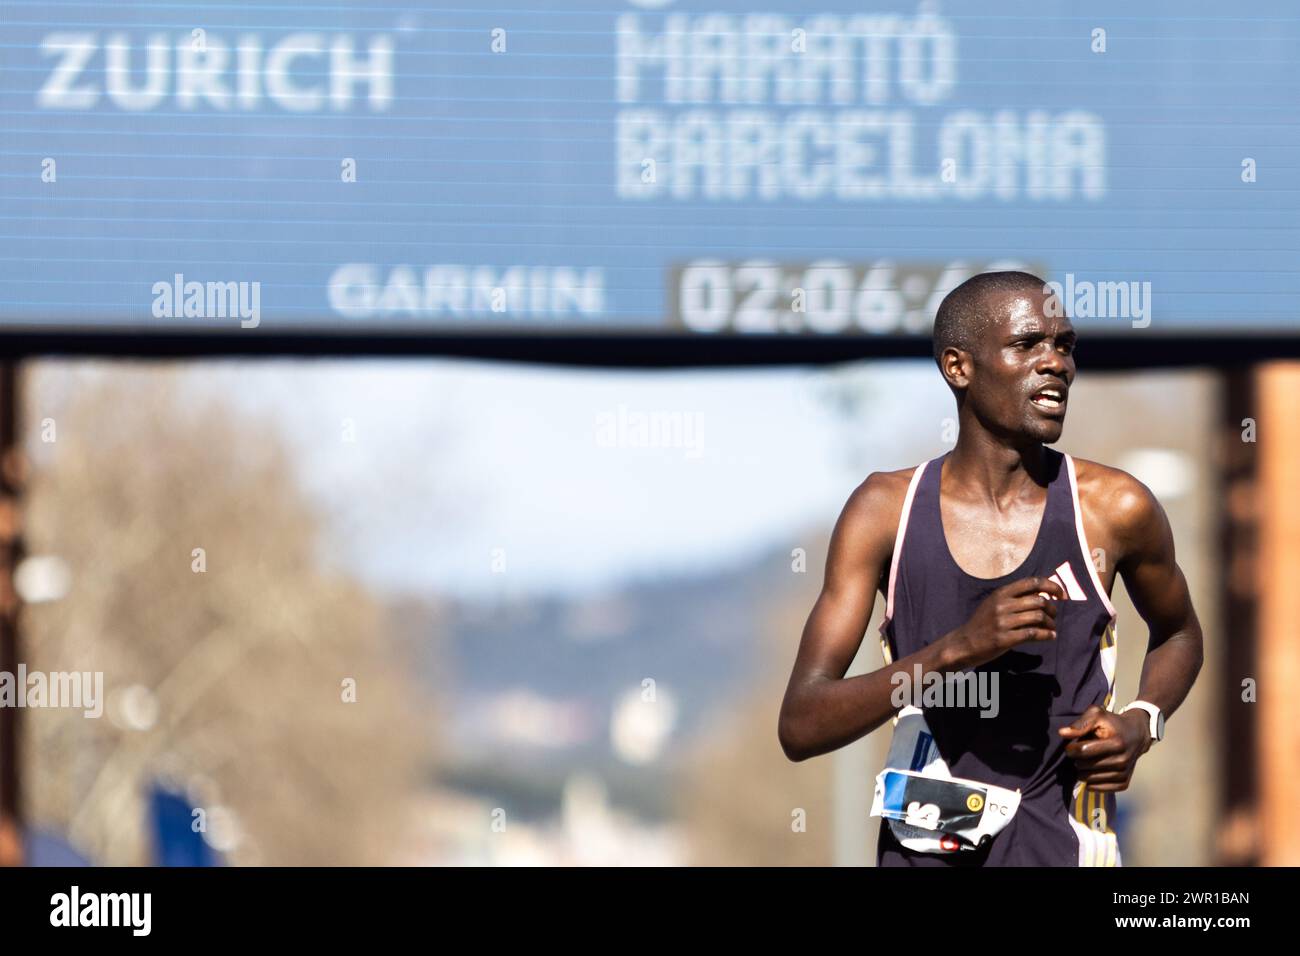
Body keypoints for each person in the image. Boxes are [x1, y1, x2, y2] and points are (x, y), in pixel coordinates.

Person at [778, 271, 1204, 866]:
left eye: (1064, 345)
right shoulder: (885, 512)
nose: (1055, 363)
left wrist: (1142, 720)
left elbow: (1180, 633)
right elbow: (802, 723)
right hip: (925, 852)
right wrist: (958, 650)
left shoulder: (1114, 508)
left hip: (1066, 849)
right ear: (958, 367)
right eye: (1027, 344)